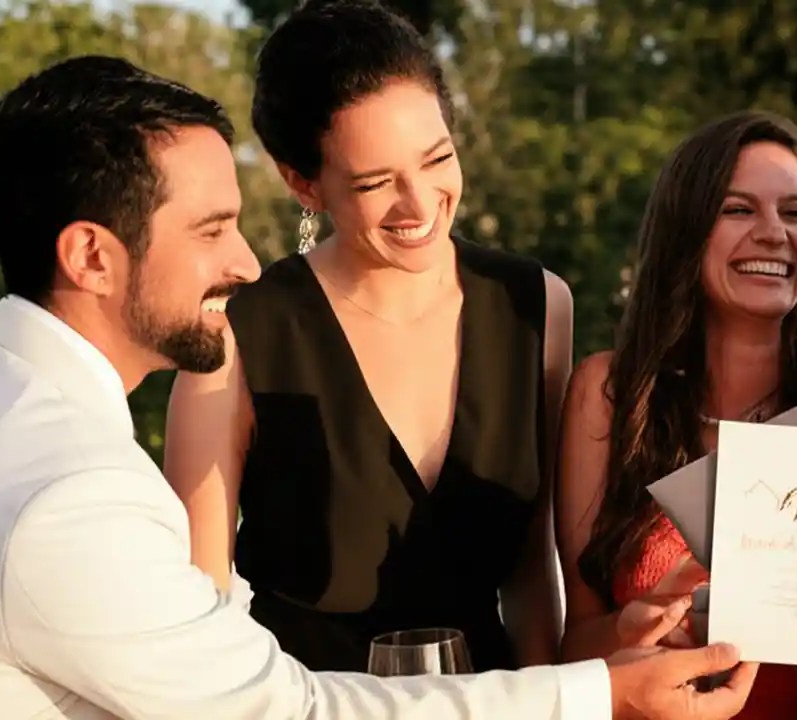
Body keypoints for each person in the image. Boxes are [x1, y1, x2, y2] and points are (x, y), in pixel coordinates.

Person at [0, 54, 757, 720]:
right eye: (212, 231)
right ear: (89, 255)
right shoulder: (67, 492)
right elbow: (286, 710)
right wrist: (600, 695)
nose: (243, 263)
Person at [163, 0, 567, 673]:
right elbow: (199, 602)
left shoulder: (537, 305)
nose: (419, 204)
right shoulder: (238, 330)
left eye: (437, 159)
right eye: (377, 182)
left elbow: (530, 576)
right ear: (304, 184)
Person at [555, 110, 797, 720]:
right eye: (739, 210)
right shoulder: (608, 394)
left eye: (795, 213)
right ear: (685, 232)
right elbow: (570, 652)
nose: (773, 233)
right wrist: (630, 632)